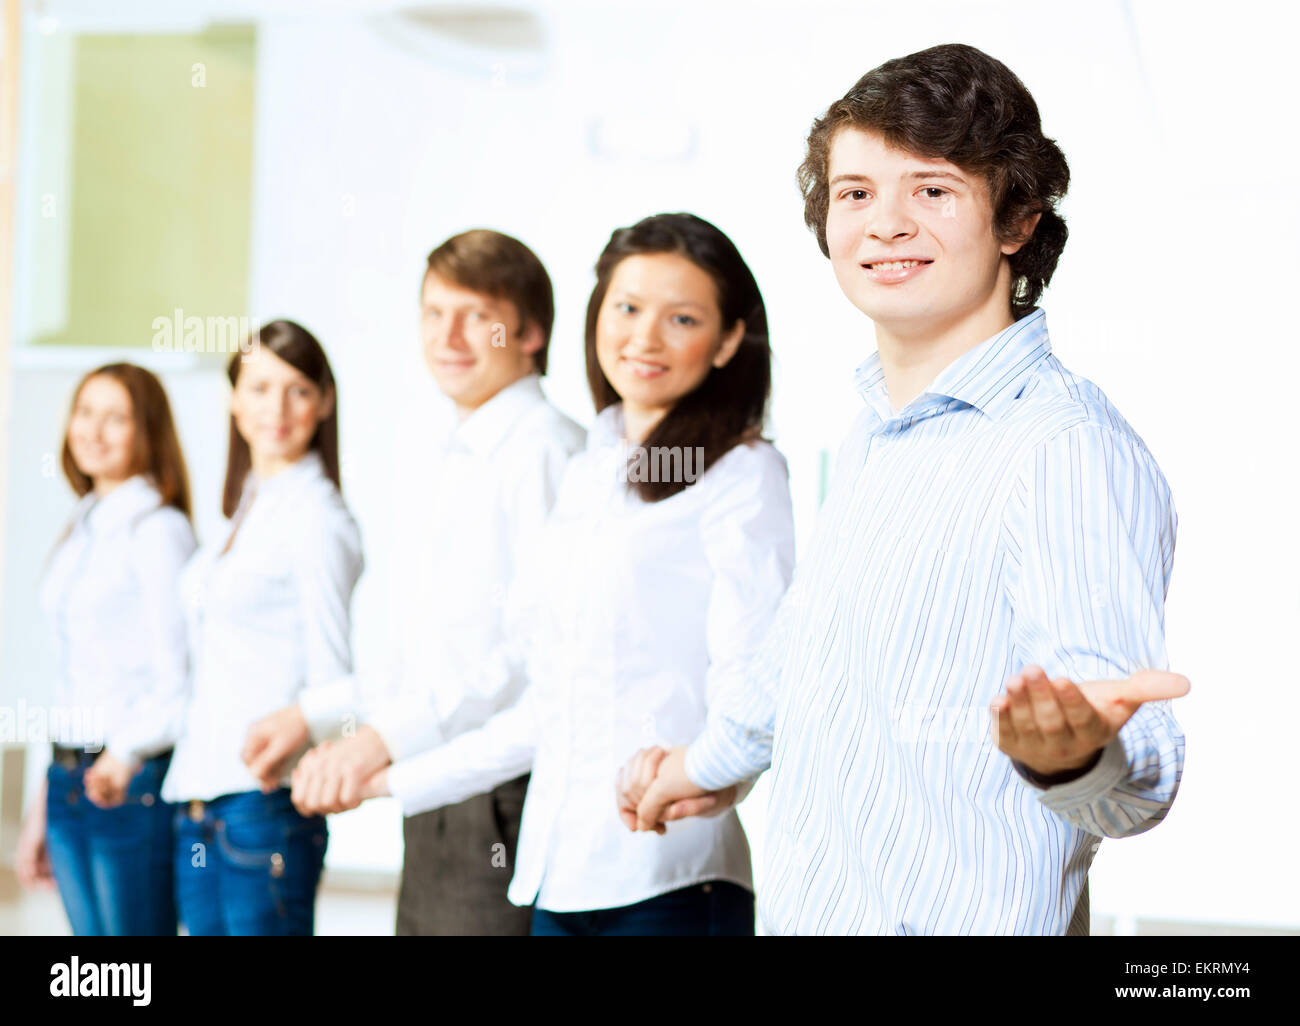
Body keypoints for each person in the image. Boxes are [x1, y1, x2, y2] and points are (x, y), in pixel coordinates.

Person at [624, 43, 1190, 935]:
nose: (883, 224)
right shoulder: (875, 432)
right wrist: (704, 764)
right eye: (855, 193)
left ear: (1016, 221)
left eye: (930, 189)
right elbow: (809, 652)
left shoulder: (1063, 447)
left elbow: (1136, 776)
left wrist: (1078, 756)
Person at [293, 213, 795, 936]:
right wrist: (391, 780)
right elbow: (547, 703)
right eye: (626, 309)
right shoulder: (594, 471)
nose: (644, 338)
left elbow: (760, 679)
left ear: (725, 342)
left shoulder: (742, 475)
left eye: (681, 318)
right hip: (558, 879)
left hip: (670, 880)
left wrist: (715, 770)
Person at [276, 230, 585, 935]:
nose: (447, 335)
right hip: (438, 778)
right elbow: (428, 648)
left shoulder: (544, 451)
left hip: (497, 790)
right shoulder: (445, 447)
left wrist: (379, 738)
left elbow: (527, 657)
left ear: (531, 331)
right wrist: (337, 724)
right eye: (432, 311)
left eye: (476, 314)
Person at [161, 320, 363, 936]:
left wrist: (302, 723)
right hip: (198, 800)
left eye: (298, 389)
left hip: (262, 805)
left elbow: (338, 681)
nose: (276, 408)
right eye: (259, 388)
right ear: (233, 398)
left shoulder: (317, 518)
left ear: (324, 402)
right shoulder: (242, 512)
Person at [15, 363, 195, 935]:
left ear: (147, 431)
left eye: (115, 417)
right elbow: (74, 675)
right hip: (70, 777)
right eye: (85, 412)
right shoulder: (83, 521)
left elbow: (179, 678)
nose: (93, 430)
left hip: (127, 780)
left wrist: (122, 755)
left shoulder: (157, 530)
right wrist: (42, 805)